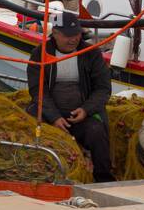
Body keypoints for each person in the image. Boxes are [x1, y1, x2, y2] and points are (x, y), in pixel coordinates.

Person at [26, 11, 114, 182]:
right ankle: (39, 177)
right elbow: (37, 90)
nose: (74, 39)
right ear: (55, 33)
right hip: (47, 114)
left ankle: (104, 179)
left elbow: (103, 89)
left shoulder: (91, 52)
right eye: (68, 35)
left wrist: (86, 110)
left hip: (81, 116)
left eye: (77, 34)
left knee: (97, 133)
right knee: (31, 133)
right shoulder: (40, 53)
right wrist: (54, 117)